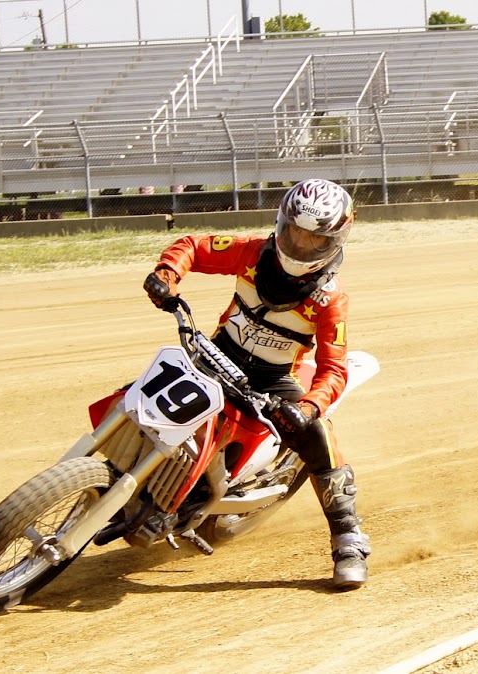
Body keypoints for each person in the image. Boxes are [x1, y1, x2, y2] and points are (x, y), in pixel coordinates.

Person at [142, 178, 370, 590]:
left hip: (274, 378)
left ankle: (348, 538)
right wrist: (167, 272)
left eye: (313, 239)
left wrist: (309, 407)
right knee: (145, 396)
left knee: (319, 435)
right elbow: (194, 244)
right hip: (216, 352)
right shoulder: (250, 250)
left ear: (336, 239)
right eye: (293, 232)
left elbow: (334, 369)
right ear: (280, 222)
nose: (299, 245)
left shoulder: (331, 298)